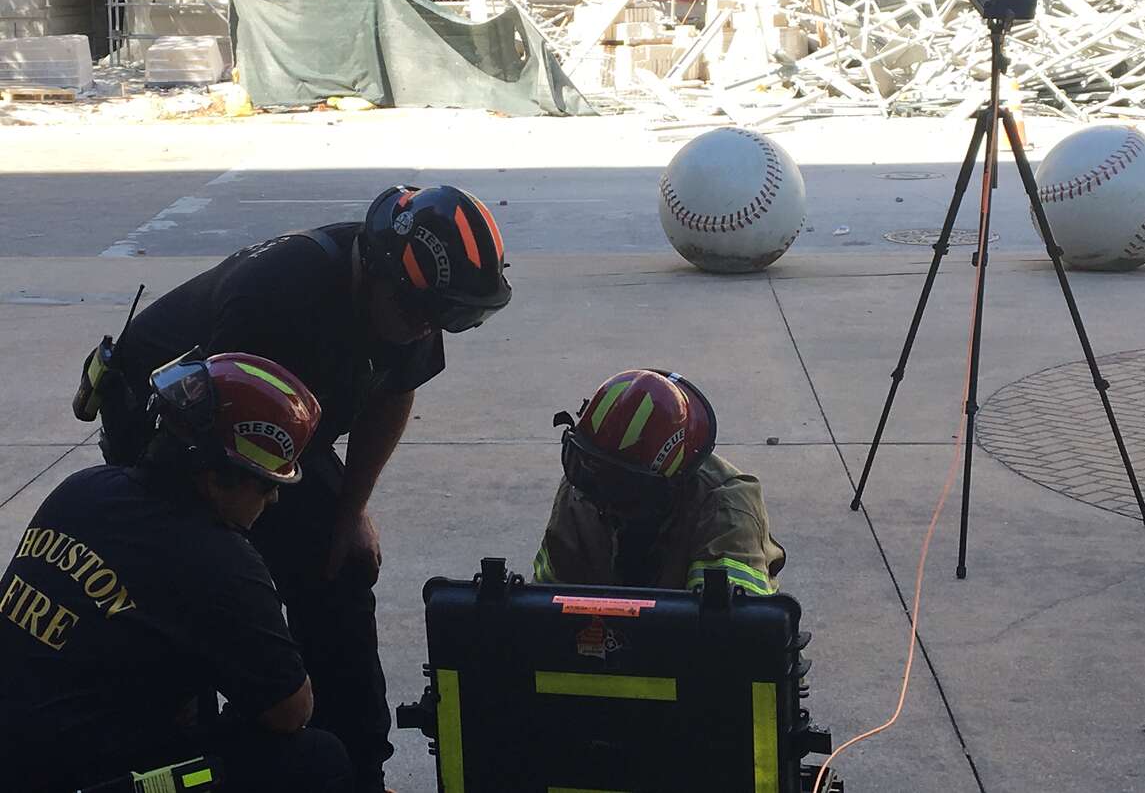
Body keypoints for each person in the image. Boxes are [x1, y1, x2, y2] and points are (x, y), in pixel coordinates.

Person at [76, 184, 512, 792]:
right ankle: (207, 746)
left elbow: (393, 391)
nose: (426, 331)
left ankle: (358, 767)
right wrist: (237, 578)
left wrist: (349, 514)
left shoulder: (413, 302)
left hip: (270, 425)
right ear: (375, 274)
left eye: (451, 320)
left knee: (343, 567)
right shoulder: (278, 298)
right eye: (421, 316)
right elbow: (215, 473)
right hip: (175, 432)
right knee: (203, 589)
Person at [0, 350, 352, 793]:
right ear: (216, 476)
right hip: (78, 779)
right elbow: (290, 710)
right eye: (265, 484)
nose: (273, 500)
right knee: (318, 760)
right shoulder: (220, 563)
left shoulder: (83, 489)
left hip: (20, 753)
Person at [533, 369, 786, 594]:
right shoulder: (582, 485)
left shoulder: (728, 508)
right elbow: (545, 602)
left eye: (621, 485)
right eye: (592, 469)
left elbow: (735, 630)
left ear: (674, 481)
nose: (603, 498)